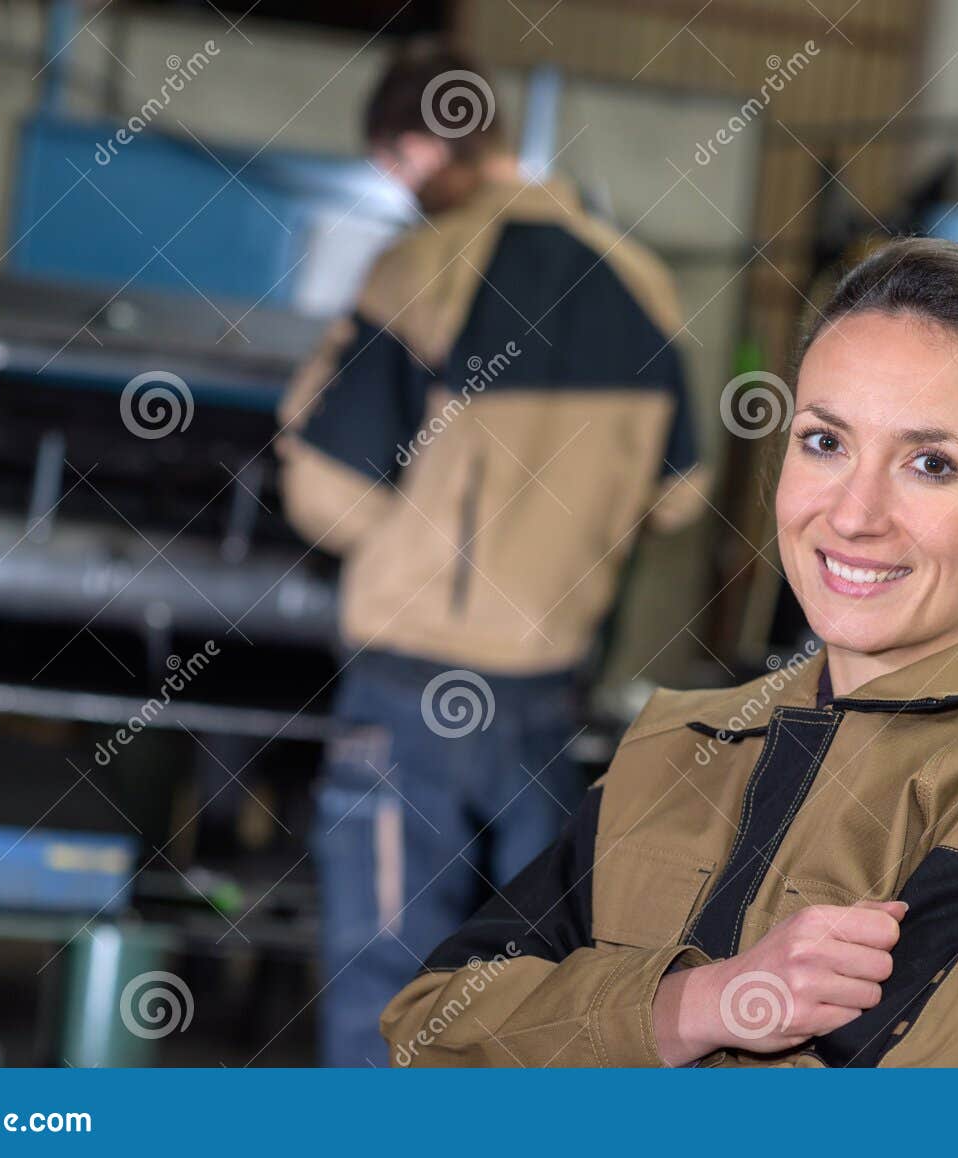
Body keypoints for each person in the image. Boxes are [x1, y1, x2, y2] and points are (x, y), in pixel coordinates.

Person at [381, 237, 958, 1067]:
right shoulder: (678, 751)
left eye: (930, 463)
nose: (854, 515)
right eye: (826, 443)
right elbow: (427, 1036)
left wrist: (580, 1041)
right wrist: (699, 1004)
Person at [277, 42, 704, 1067]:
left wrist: (427, 532)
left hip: (409, 686)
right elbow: (681, 496)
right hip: (549, 696)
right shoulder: (641, 283)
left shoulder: (419, 268)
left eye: (394, 168)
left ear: (421, 150)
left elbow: (325, 493)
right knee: (532, 994)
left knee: (389, 984)